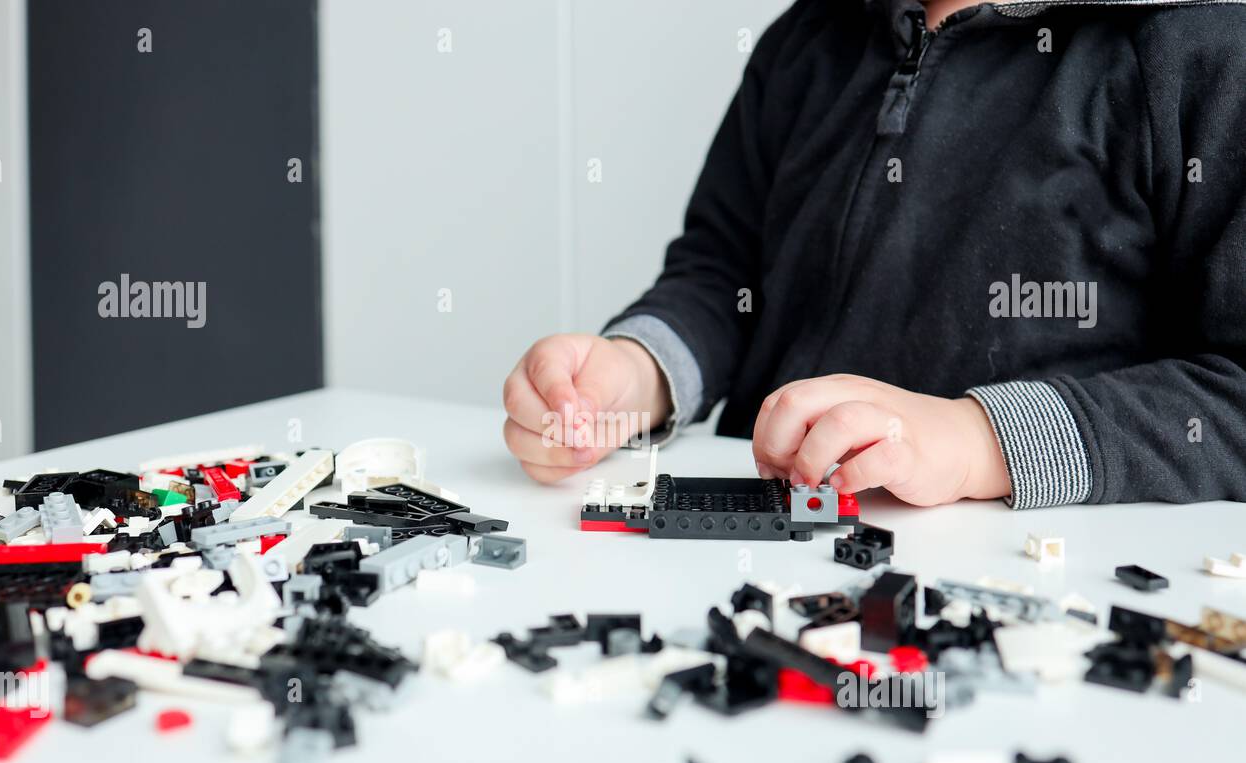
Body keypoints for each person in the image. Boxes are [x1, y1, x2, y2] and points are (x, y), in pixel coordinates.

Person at [502, 0, 1246, 508]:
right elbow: (723, 274)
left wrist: (975, 440)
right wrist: (636, 374)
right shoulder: (807, 39)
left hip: (1033, 598)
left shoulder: (1202, 51)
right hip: (764, 561)